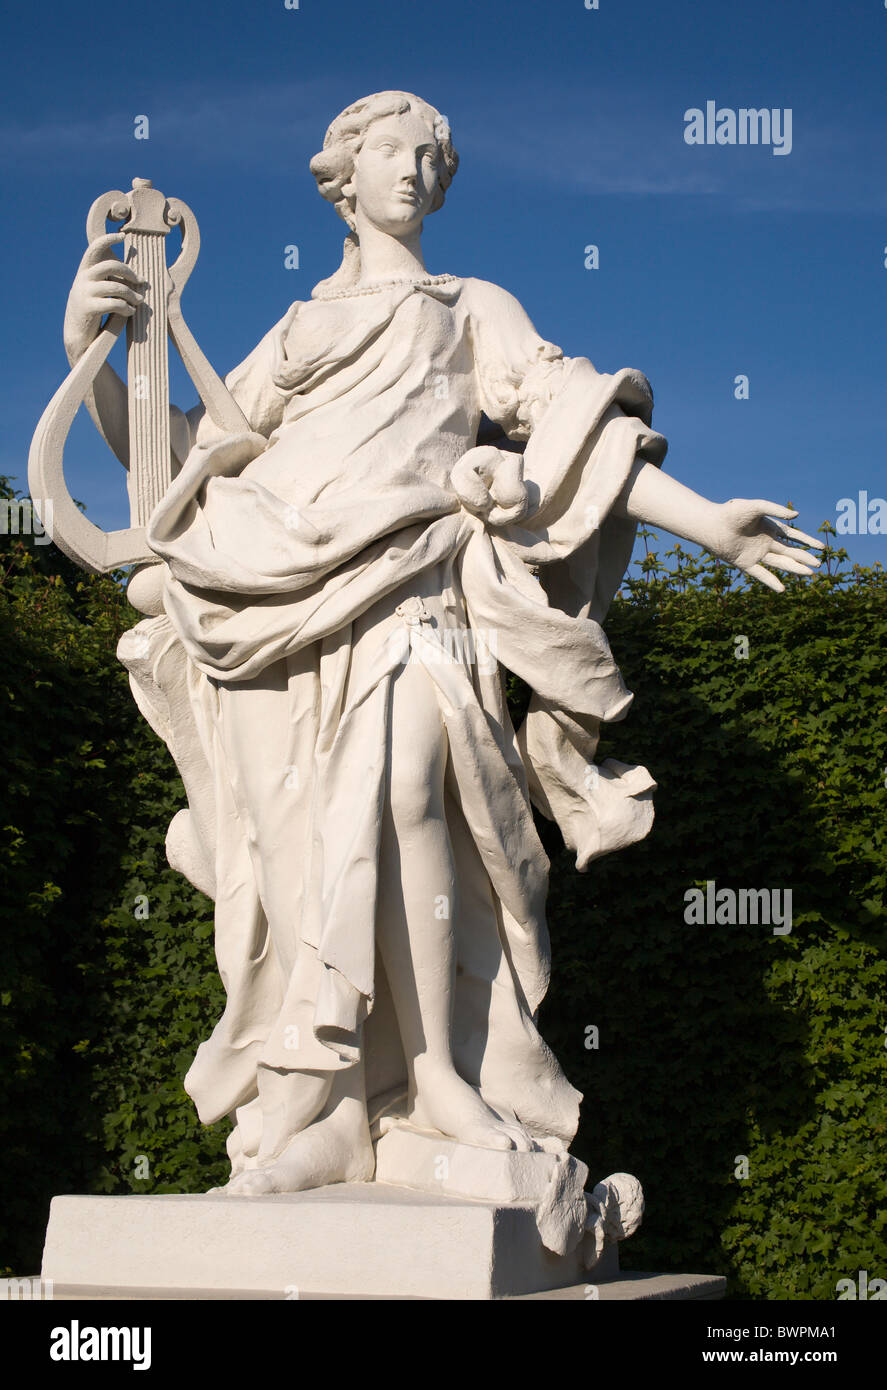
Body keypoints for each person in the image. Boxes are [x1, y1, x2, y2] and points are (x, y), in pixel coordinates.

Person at [62, 91, 822, 1194]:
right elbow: (173, 460)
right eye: (390, 151)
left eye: (433, 156)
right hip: (268, 588)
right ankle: (316, 1109)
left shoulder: (471, 306)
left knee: (416, 790)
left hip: (419, 574)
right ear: (343, 173)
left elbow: (570, 417)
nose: (414, 170)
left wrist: (705, 519)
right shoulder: (298, 327)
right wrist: (93, 346)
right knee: (291, 851)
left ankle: (437, 1076)